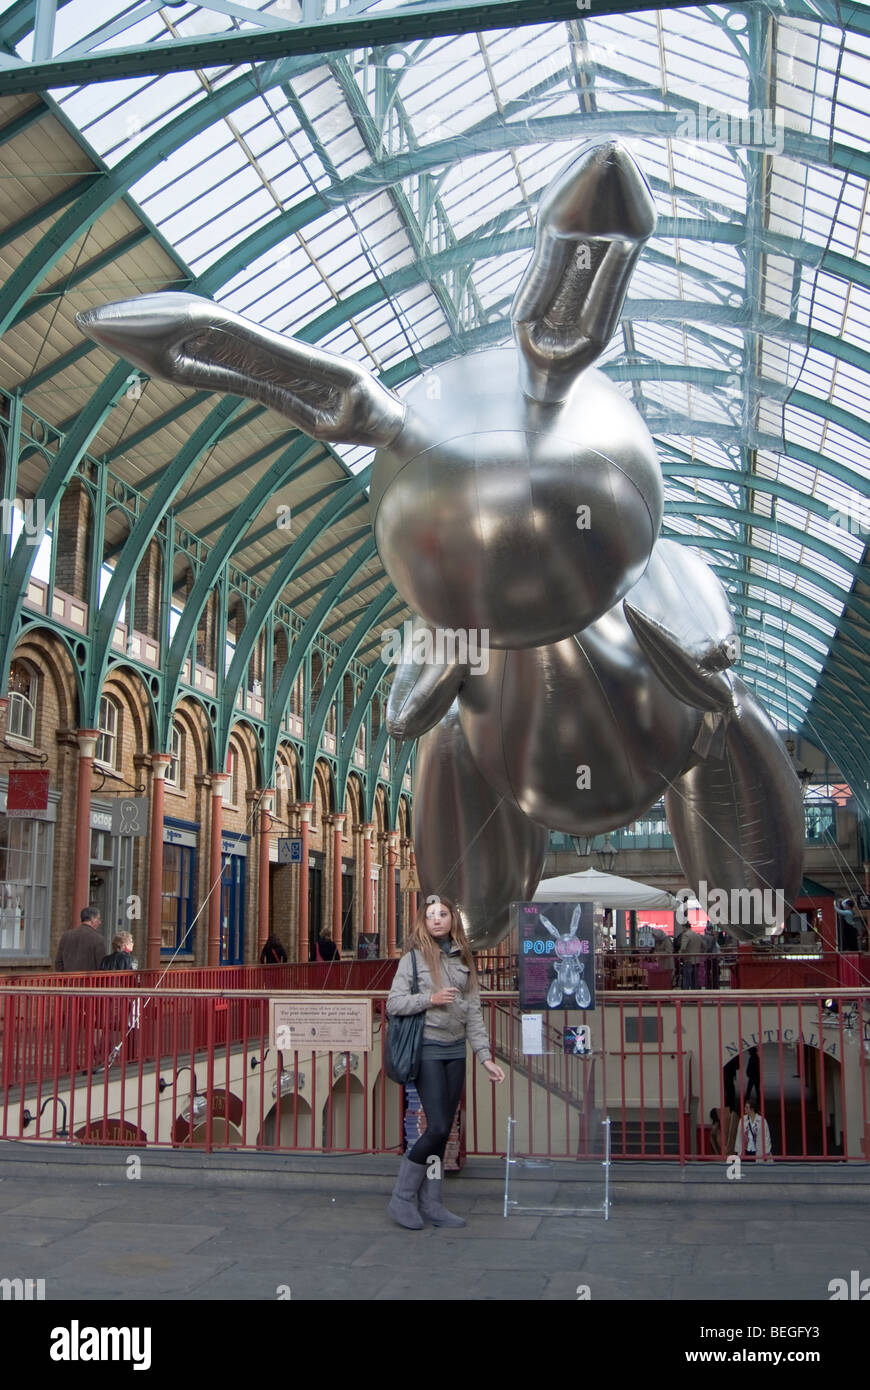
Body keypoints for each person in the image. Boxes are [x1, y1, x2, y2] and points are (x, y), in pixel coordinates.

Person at [386, 897, 505, 1229]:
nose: (436, 920)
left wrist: (485, 1057)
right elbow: (394, 1003)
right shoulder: (412, 960)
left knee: (443, 1131)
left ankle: (432, 1202)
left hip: (456, 1052)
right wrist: (430, 999)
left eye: (442, 914)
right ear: (422, 922)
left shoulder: (464, 959)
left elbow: (474, 1014)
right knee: (437, 1127)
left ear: (453, 918)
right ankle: (402, 1198)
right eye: (430, 916)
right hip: (427, 1048)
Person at [55, 907, 105, 972]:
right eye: (98, 919)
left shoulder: (66, 936)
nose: (100, 922)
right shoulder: (98, 938)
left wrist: (65, 979)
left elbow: (58, 962)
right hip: (89, 981)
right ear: (92, 919)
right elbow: (101, 965)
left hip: (69, 980)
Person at [678, 921, 704, 988]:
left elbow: (683, 947)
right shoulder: (697, 935)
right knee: (694, 979)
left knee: (686, 978)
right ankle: (695, 993)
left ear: (684, 927)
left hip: (688, 960)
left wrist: (679, 954)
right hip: (697, 960)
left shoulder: (686, 935)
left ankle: (686, 994)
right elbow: (704, 946)